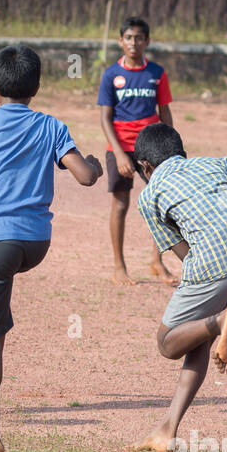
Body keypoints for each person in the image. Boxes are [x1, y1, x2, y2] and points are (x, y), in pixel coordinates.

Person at [0, 45, 102, 452]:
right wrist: (94, 166)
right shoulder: (50, 125)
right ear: (38, 87)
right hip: (35, 243)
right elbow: (84, 176)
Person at [127, 122, 227, 452]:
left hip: (213, 265)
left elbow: (183, 252)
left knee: (168, 343)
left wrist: (211, 286)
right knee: (198, 338)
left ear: (144, 167)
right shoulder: (218, 162)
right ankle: (167, 430)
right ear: (182, 153)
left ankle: (221, 320)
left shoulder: (149, 195)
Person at [98, 17, 179, 285]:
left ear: (147, 41)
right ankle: (119, 266)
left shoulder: (156, 73)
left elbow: (164, 111)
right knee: (121, 203)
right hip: (120, 146)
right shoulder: (111, 74)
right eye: (129, 38)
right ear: (120, 41)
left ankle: (157, 260)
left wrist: (172, 149)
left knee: (162, 203)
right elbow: (105, 117)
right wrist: (120, 155)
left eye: (139, 38)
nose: (134, 43)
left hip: (152, 146)